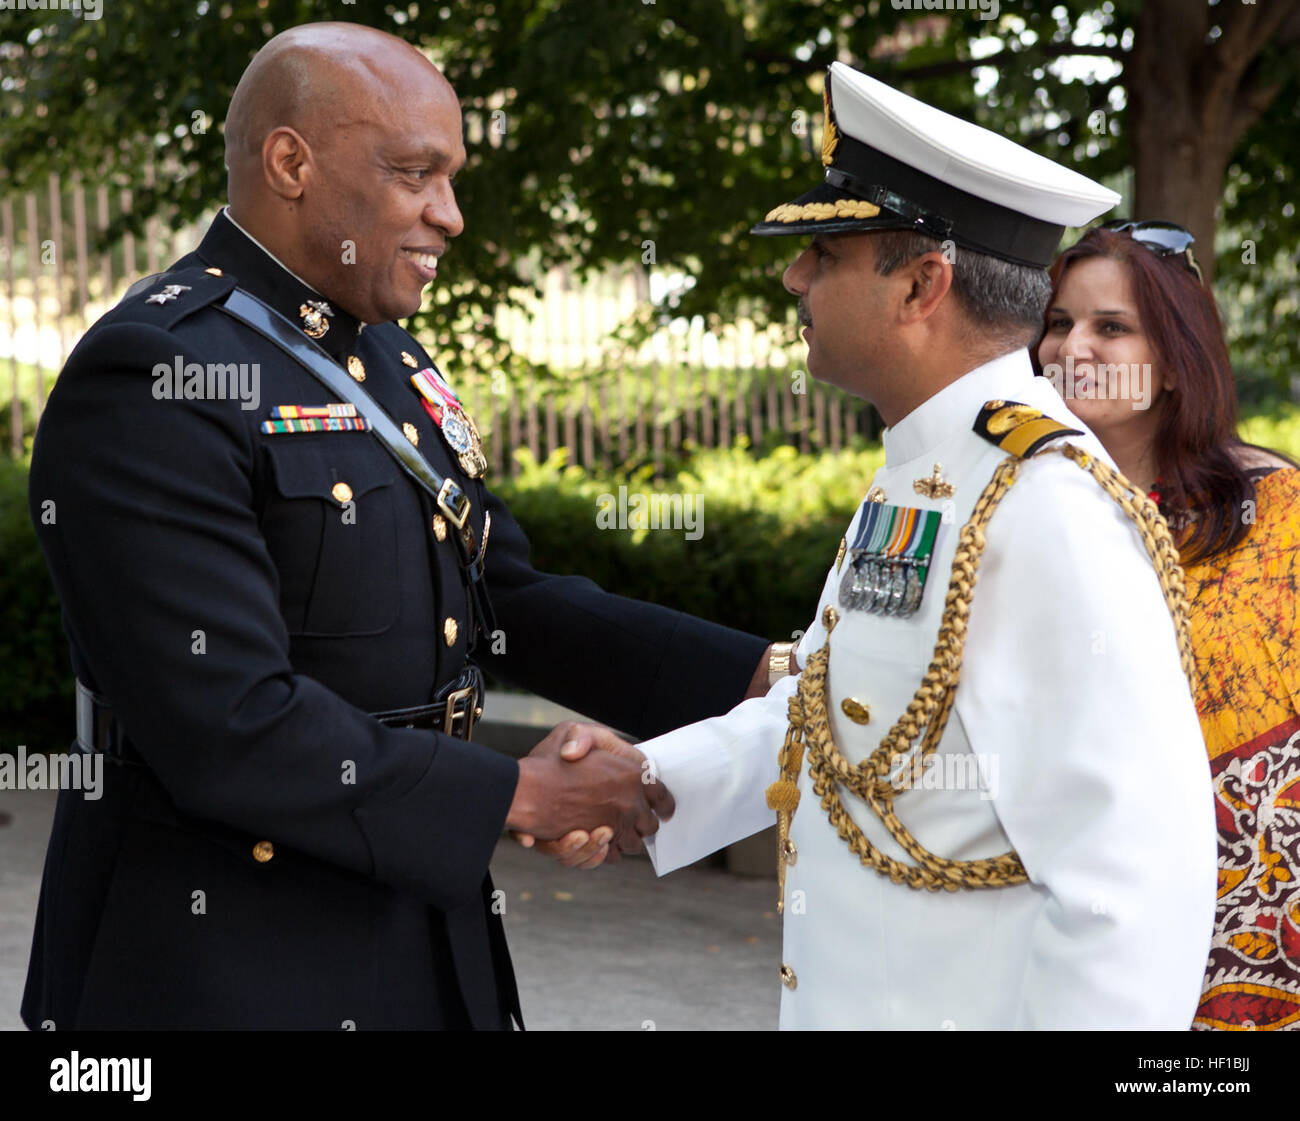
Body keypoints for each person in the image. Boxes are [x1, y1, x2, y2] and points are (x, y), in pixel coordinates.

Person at [20, 21, 771, 1031]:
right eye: (416, 172)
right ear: (291, 162)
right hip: (228, 959)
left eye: (451, 176)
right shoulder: (162, 369)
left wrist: (764, 677)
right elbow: (226, 719)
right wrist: (514, 793)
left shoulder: (385, 359)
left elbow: (504, 600)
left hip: (421, 928)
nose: (450, 215)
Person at [539, 62, 1219, 1029]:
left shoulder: (1047, 511)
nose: (794, 276)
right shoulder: (928, 478)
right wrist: (649, 785)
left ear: (920, 285)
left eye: (823, 251)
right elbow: (831, 720)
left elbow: (1133, 884)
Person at [1037, 221, 1300, 1031]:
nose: (1071, 346)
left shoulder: (1279, 511)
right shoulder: (1024, 513)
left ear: (1177, 360)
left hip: (1264, 940)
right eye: (1057, 322)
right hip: (1095, 938)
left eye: (1110, 326)